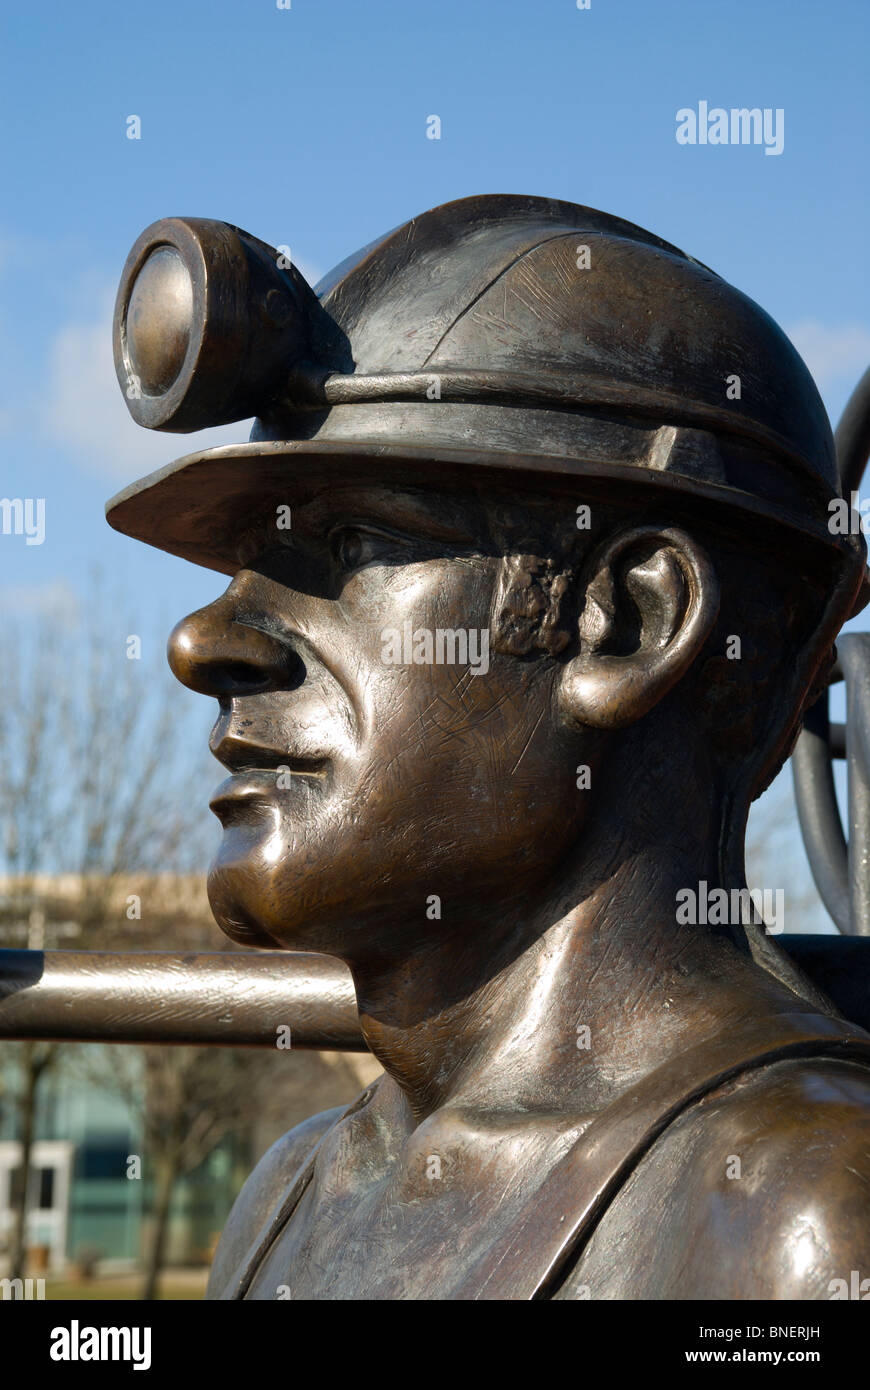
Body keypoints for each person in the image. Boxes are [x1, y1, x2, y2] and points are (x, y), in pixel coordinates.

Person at [107, 195, 870, 1299]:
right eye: (239, 570)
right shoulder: (290, 1198)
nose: (204, 641)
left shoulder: (800, 1225)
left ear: (633, 624)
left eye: (356, 540)